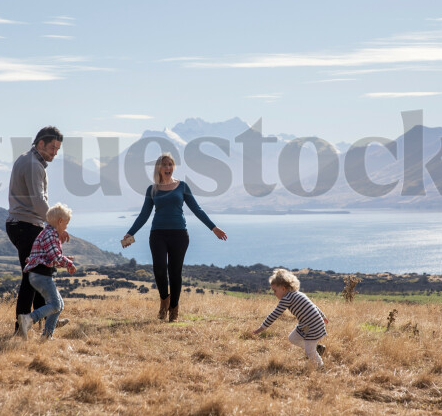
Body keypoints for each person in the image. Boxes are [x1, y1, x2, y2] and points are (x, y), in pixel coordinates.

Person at [122, 152, 227, 322]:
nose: (168, 168)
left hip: (179, 235)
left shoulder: (182, 186)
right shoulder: (152, 189)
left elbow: (197, 209)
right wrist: (130, 233)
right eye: (164, 165)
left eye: (170, 164)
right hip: (158, 234)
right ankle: (164, 301)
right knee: (159, 269)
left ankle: (174, 310)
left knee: (175, 272)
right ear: (159, 168)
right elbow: (143, 215)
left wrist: (213, 228)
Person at [7, 126, 67, 335]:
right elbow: (38, 200)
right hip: (27, 225)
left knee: (38, 272)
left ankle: (47, 317)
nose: (55, 153)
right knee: (32, 277)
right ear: (40, 144)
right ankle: (20, 328)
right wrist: (56, 225)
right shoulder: (34, 165)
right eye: (52, 148)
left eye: (57, 149)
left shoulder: (26, 159)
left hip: (20, 224)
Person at [17, 203, 76, 340]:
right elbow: (55, 257)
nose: (66, 227)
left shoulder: (48, 233)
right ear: (60, 221)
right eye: (66, 223)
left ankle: (47, 336)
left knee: (59, 305)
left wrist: (65, 259)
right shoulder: (50, 234)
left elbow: (51, 257)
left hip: (40, 274)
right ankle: (29, 319)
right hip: (41, 275)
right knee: (55, 304)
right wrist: (69, 264)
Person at [252, 268, 328, 368]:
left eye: (275, 291)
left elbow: (274, 314)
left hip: (312, 326)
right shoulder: (297, 293)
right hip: (310, 324)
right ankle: (318, 348)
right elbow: (313, 305)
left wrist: (262, 328)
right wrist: (323, 316)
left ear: (283, 289)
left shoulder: (286, 299)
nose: (274, 293)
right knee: (292, 338)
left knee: (310, 351)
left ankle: (320, 367)